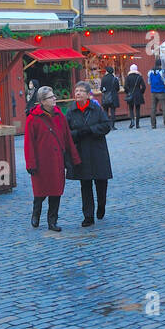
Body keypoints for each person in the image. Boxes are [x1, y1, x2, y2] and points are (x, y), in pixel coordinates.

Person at [23, 86, 80, 232]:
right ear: (42, 101)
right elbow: (29, 143)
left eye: (54, 96)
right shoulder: (33, 119)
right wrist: (31, 163)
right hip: (41, 162)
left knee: (56, 192)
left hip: (57, 161)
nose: (54, 99)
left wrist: (74, 158)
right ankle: (36, 213)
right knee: (40, 192)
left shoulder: (60, 116)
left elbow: (67, 138)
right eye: (51, 97)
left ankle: (52, 221)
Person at [66, 82, 113, 227]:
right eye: (76, 90)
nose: (78, 93)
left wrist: (91, 130)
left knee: (101, 182)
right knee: (85, 185)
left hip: (98, 150)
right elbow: (66, 133)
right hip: (81, 152)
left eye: (81, 91)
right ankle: (88, 216)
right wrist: (78, 133)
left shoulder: (96, 110)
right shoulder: (70, 112)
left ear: (88, 95)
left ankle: (101, 206)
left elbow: (106, 126)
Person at [147, 60, 165, 129]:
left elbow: (149, 82)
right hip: (161, 91)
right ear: (160, 65)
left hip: (153, 92)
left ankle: (153, 124)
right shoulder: (161, 72)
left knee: (153, 108)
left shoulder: (150, 72)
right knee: (164, 107)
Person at [123, 64, 147, 129]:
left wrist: (128, 92)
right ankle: (137, 124)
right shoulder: (139, 77)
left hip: (131, 93)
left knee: (131, 108)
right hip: (138, 93)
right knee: (138, 109)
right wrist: (141, 92)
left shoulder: (128, 77)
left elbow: (125, 86)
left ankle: (132, 121)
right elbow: (144, 86)